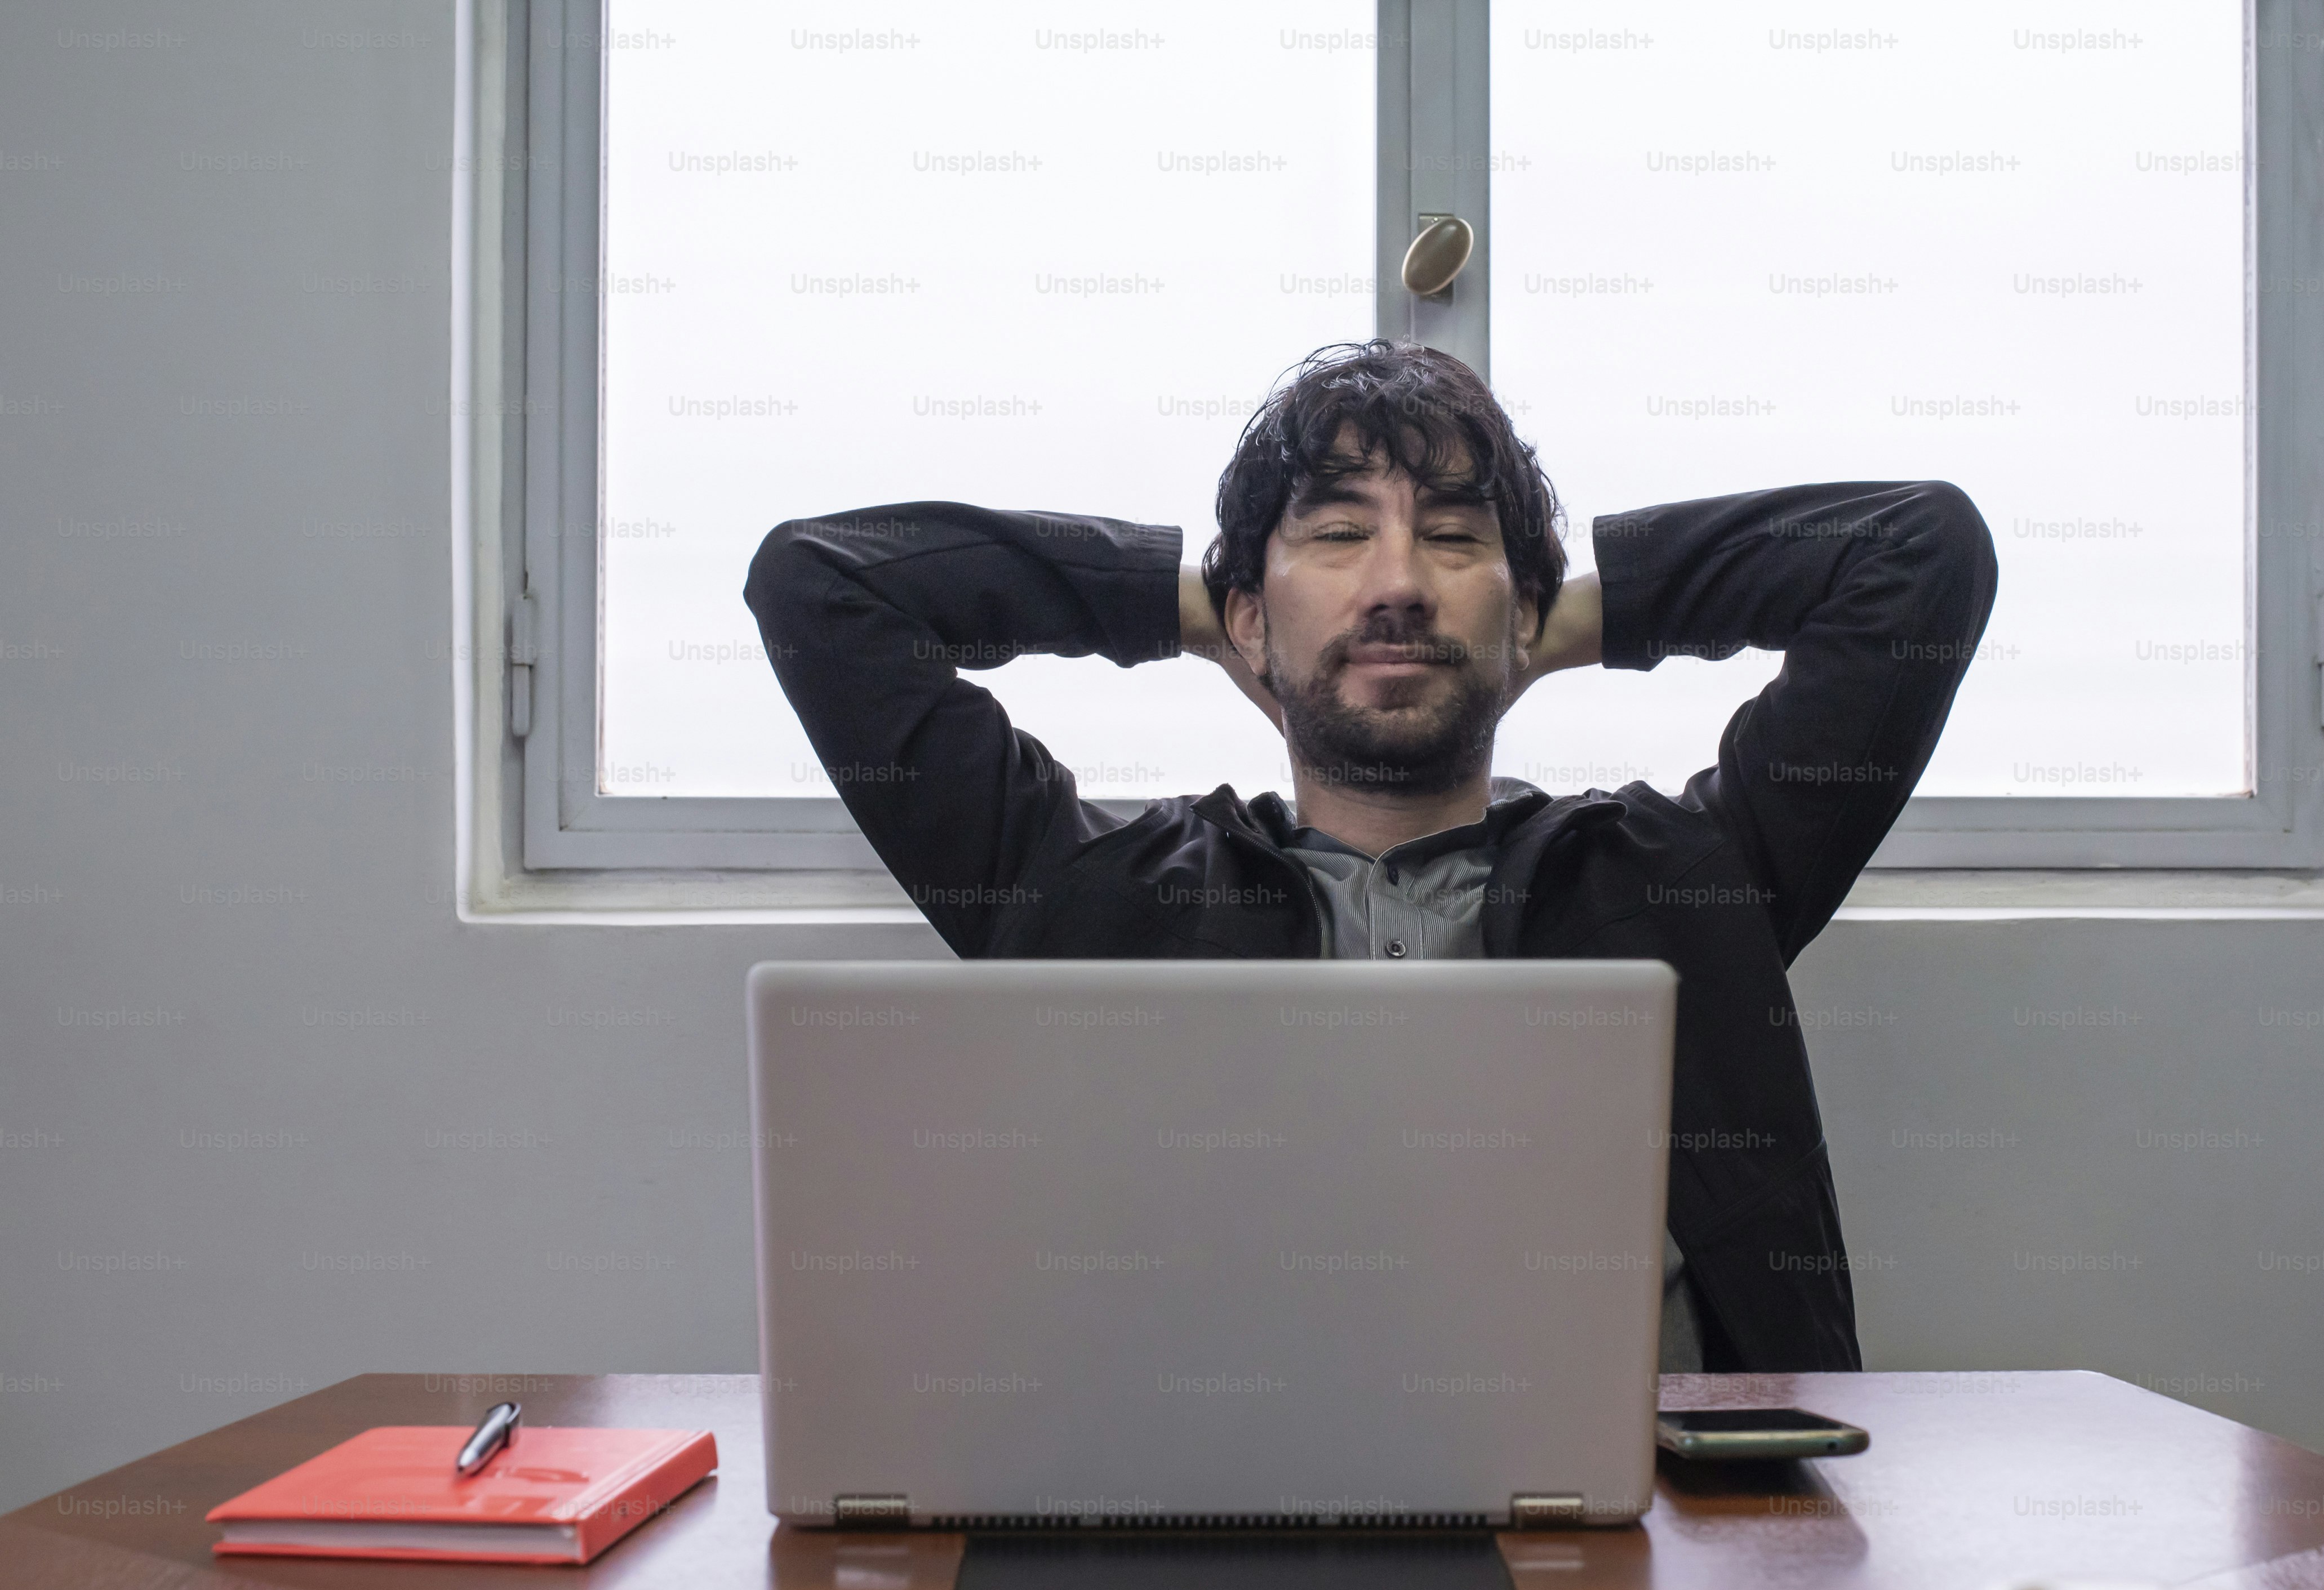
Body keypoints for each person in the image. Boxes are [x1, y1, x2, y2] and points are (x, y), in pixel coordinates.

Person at [744, 340, 1998, 1371]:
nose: (1397, 581)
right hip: (1208, 1518)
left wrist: (1547, 625)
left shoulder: (1685, 882)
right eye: (1338, 538)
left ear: (1522, 613)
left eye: (1452, 540)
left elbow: (1917, 552)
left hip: (1658, 1541)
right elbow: (821, 586)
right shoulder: (1091, 900)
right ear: (1248, 616)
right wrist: (1193, 608)